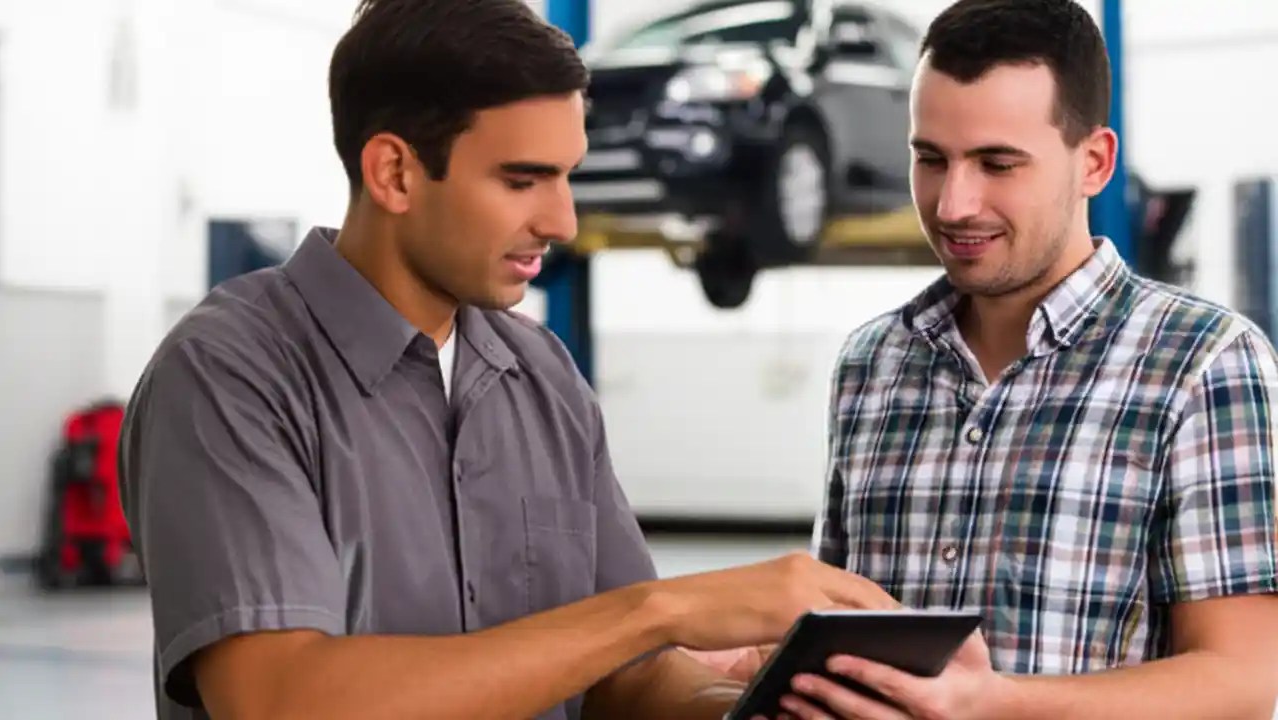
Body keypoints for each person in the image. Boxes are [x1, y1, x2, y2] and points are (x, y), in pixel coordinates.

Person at [115, 1, 899, 719]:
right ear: (395, 172)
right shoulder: (230, 375)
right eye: (523, 180)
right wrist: (662, 611)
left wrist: (748, 705)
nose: (560, 219)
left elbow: (628, 679)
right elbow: (282, 699)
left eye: (568, 178)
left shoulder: (544, 377)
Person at [753, 0, 1278, 718]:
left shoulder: (1202, 364)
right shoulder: (872, 364)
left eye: (997, 163)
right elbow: (839, 631)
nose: (954, 204)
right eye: (930, 159)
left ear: (1093, 162)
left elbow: (1246, 678)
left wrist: (996, 704)